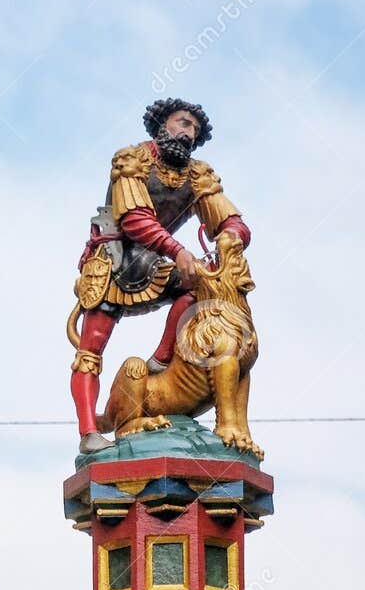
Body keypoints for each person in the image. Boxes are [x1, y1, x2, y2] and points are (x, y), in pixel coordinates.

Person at [68, 97, 251, 454]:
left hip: (156, 258)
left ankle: (163, 357)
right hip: (114, 258)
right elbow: (134, 219)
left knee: (200, 285)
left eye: (194, 130)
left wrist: (233, 235)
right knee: (91, 350)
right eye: (182, 123)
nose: (187, 133)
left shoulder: (197, 175)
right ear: (161, 124)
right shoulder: (131, 159)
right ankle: (89, 431)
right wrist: (179, 251)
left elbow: (230, 219)